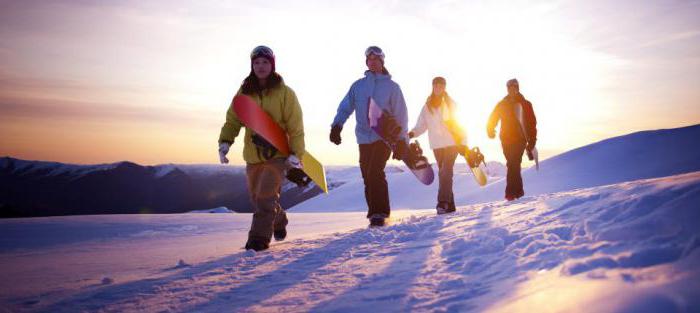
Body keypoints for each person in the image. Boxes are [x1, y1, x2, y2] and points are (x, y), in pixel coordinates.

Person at [218, 45, 307, 251]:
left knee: (266, 197)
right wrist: (225, 142)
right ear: (252, 65)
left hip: (277, 155)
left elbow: (296, 127)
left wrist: (296, 154)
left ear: (272, 64)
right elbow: (233, 120)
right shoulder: (244, 92)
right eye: (256, 62)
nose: (261, 66)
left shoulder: (285, 93)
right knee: (258, 199)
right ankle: (279, 219)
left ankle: (258, 241)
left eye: (265, 62)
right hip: (252, 155)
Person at [329, 46, 409, 226]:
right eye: (370, 60)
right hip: (363, 138)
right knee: (367, 174)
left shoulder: (392, 87)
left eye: (376, 60)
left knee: (375, 171)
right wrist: (337, 125)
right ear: (367, 62)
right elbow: (345, 107)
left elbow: (401, 114)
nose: (373, 62)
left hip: (384, 138)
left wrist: (403, 140)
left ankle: (380, 212)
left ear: (382, 62)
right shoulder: (358, 86)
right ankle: (374, 211)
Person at [408, 77, 466, 214]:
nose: (438, 88)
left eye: (441, 86)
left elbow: (460, 124)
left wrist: (463, 142)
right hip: (437, 145)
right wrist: (411, 133)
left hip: (452, 143)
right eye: (436, 85)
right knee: (443, 173)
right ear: (432, 87)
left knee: (446, 171)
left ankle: (442, 202)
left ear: (445, 87)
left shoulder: (451, 105)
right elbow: (421, 125)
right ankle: (450, 204)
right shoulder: (427, 107)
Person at [486, 78, 537, 201]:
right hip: (506, 140)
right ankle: (519, 192)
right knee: (512, 164)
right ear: (507, 89)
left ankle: (510, 193)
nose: (512, 90)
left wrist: (532, 141)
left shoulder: (526, 104)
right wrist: (490, 130)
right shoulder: (502, 104)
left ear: (517, 88)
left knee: (514, 162)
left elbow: (532, 123)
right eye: (509, 88)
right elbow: (492, 118)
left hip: (520, 139)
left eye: (514, 87)